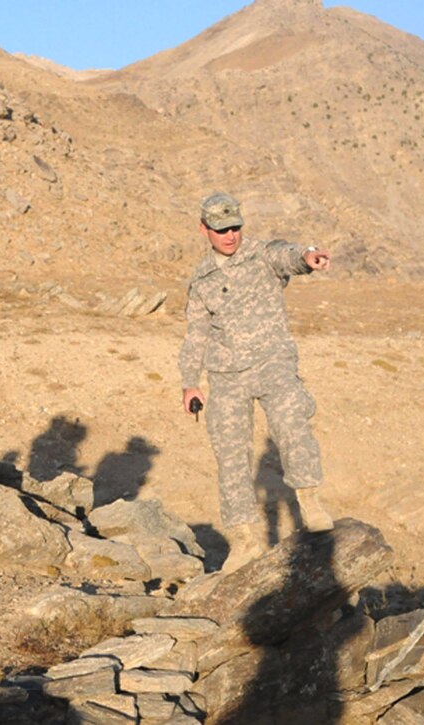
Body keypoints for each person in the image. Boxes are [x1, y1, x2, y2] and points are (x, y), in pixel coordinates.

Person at [179, 192, 335, 574]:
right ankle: (245, 540)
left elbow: (290, 254)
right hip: (226, 375)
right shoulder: (202, 279)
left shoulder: (263, 254)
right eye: (220, 230)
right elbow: (196, 333)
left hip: (272, 362)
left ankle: (310, 501)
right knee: (230, 455)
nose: (230, 236)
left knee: (290, 422)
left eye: (235, 227)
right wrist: (189, 382)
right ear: (204, 229)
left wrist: (307, 256)